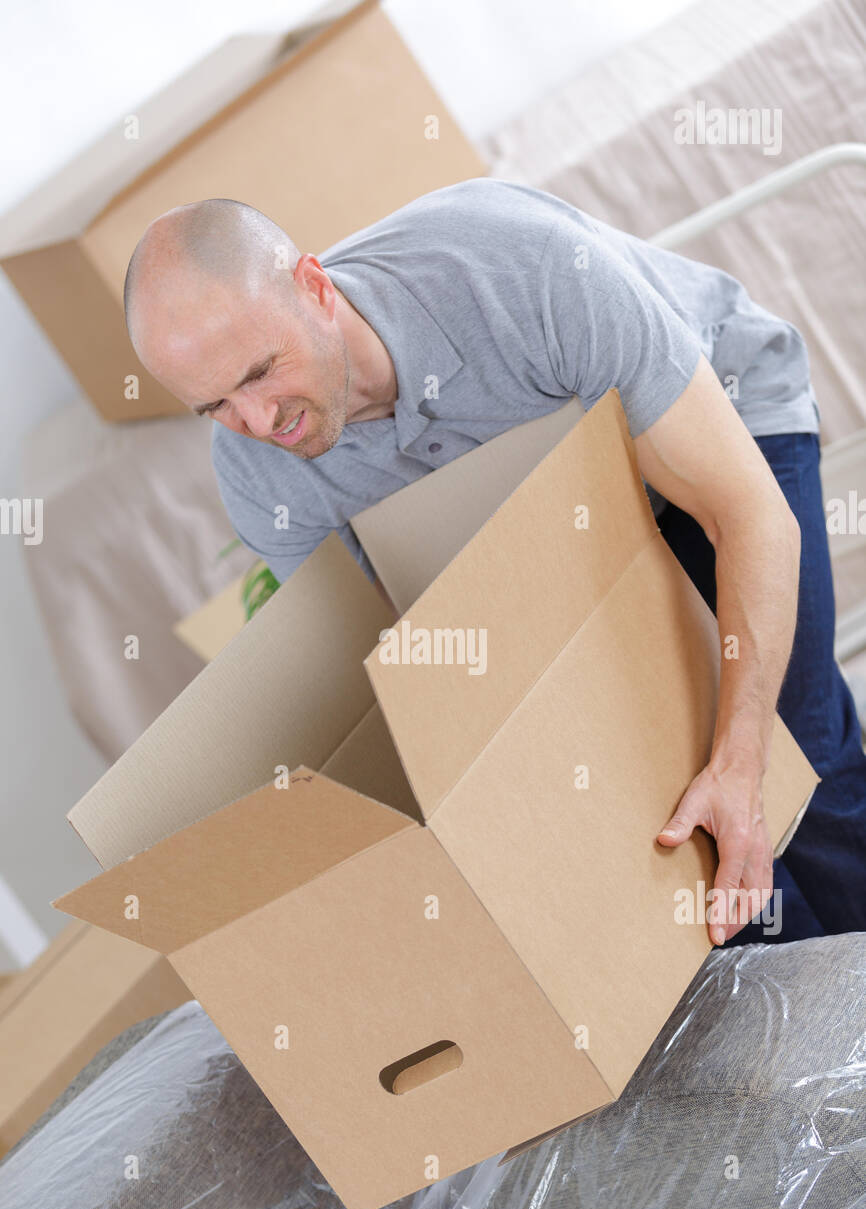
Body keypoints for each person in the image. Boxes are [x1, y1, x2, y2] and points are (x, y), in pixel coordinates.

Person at [122, 178, 866, 946]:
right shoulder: (260, 476)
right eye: (213, 406)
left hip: (718, 447)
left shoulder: (516, 274)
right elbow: (420, 653)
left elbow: (742, 510)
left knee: (790, 770)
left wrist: (741, 763)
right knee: (677, 832)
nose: (255, 420)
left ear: (315, 289)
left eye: (257, 372)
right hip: (575, 535)